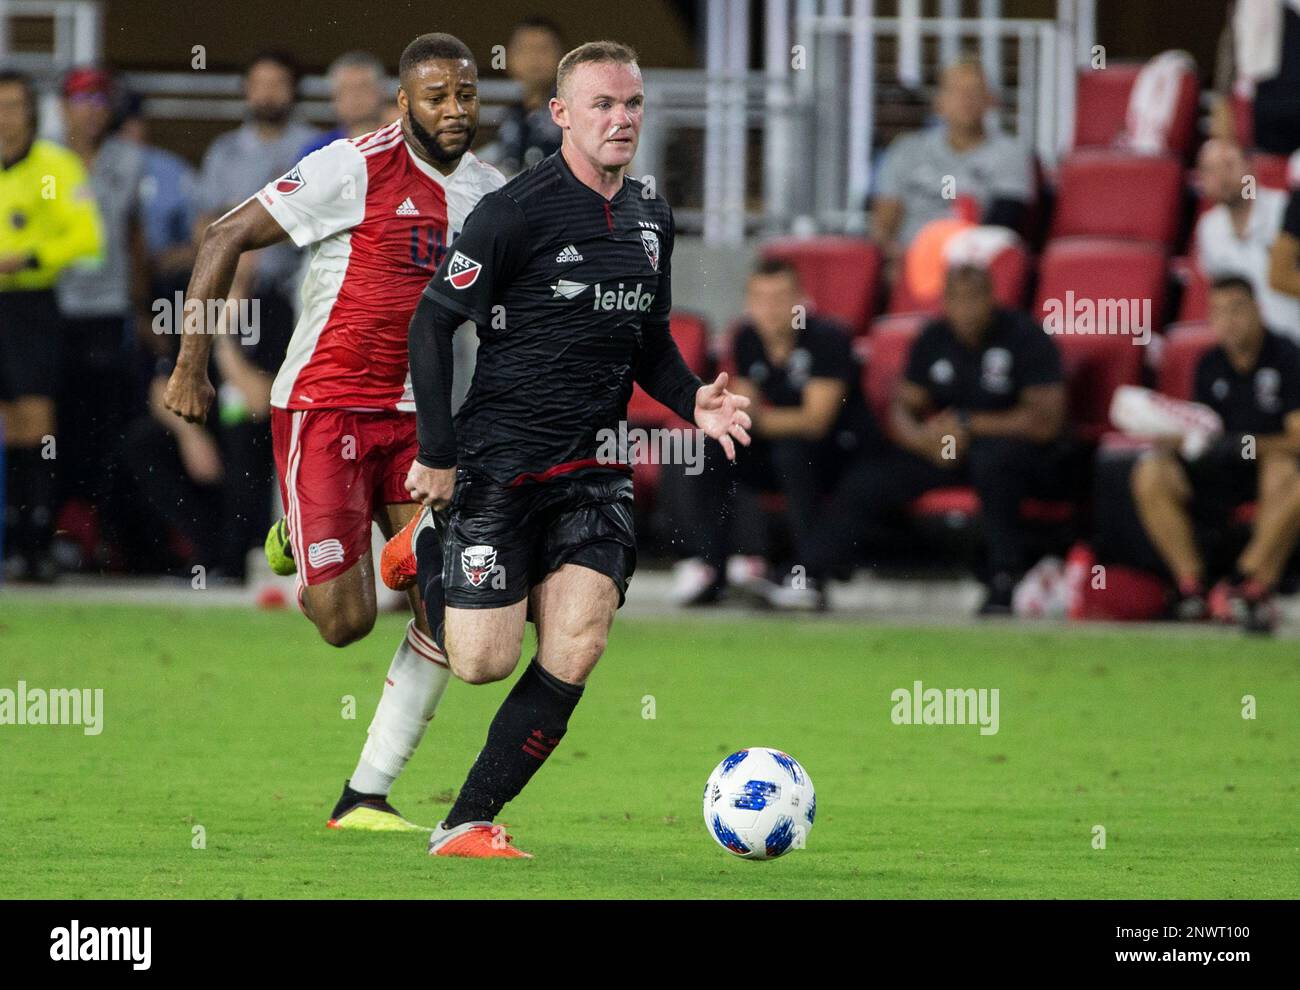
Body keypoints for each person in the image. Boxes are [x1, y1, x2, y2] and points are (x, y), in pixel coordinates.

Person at [387, 40, 752, 858]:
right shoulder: (514, 212)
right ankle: (436, 539)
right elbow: (433, 321)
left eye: (632, 105)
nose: (620, 120)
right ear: (561, 115)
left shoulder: (653, 216)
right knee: (481, 661)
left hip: (594, 468)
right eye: (602, 105)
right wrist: (437, 452)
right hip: (498, 465)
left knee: (579, 642)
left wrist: (694, 398)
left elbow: (647, 338)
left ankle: (466, 821)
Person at [162, 34, 506, 830]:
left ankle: (365, 797)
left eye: (465, 95)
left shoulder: (491, 194)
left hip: (421, 420)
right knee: (345, 624)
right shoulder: (352, 165)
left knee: (448, 612)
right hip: (325, 408)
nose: (454, 111)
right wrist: (190, 365)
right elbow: (222, 236)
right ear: (404, 103)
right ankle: (303, 529)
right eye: (436, 97)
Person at [798, 265, 1067, 615]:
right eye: (957, 299)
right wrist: (923, 440)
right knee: (869, 478)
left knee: (996, 465)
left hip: (1014, 450)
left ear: (992, 299)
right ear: (945, 302)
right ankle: (811, 575)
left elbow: (1046, 422)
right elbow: (902, 407)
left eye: (975, 298)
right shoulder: (933, 338)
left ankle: (1004, 578)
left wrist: (970, 424)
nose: (966, 309)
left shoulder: (1025, 337)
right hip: (947, 448)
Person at [668, 257, 883, 610]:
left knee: (791, 449)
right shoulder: (747, 337)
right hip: (786, 450)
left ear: (801, 300)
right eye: (759, 299)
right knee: (710, 447)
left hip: (841, 456)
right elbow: (744, 404)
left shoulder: (828, 338)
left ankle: (809, 576)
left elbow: (815, 421)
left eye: (780, 298)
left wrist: (756, 419)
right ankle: (710, 568)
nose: (769, 309)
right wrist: (737, 418)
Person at [1131, 276, 1300, 634]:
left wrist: (1246, 444)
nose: (1229, 321)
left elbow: (1297, 439)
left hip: (1266, 471)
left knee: (1285, 471)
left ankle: (1248, 583)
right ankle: (1192, 588)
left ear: (1258, 310)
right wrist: (1178, 440)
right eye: (1219, 312)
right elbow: (1202, 425)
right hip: (1219, 469)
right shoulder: (1209, 364)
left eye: (1237, 309)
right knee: (1150, 472)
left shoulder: (1287, 358)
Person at [0, 70, 102, 581]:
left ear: (32, 112)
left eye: (15, 105)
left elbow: (88, 237)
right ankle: (12, 541)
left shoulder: (53, 167)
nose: (5, 117)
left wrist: (30, 256)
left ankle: (37, 541)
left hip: (30, 306)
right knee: (8, 426)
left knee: (35, 424)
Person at [54, 68, 150, 574]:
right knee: (53, 427)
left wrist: (141, 312)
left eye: (99, 98)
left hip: (108, 312)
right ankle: (51, 531)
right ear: (65, 105)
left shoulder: (128, 161)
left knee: (104, 428)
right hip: (51, 309)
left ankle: (95, 534)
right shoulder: (43, 158)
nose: (91, 108)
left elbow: (135, 241)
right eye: (81, 98)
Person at [193, 52, 318, 360]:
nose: (268, 93)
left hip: (295, 285)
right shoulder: (224, 150)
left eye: (277, 84)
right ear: (246, 90)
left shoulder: (315, 146)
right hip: (234, 286)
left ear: (294, 90)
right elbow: (204, 222)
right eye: (259, 84)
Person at [871, 57, 1033, 274]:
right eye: (956, 91)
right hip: (908, 264)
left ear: (990, 99)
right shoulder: (906, 150)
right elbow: (883, 224)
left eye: (974, 91)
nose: (966, 100)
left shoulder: (1010, 153)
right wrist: (892, 255)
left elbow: (1001, 227)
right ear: (939, 102)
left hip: (972, 267)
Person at [1193, 138, 1300, 338]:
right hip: (1251, 347)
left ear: (1250, 168)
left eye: (1229, 164)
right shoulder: (1208, 229)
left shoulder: (1285, 209)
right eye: (1210, 170)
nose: (1222, 176)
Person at [480, 17, 565, 177]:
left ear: (563, 57)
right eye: (524, 49)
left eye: (543, 49)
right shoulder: (512, 116)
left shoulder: (573, 110)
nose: (534, 58)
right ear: (510, 57)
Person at [297, 51, 389, 158]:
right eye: (346, 89)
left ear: (382, 92)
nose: (355, 96)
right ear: (333, 97)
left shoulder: (405, 145)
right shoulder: (317, 151)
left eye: (363, 87)